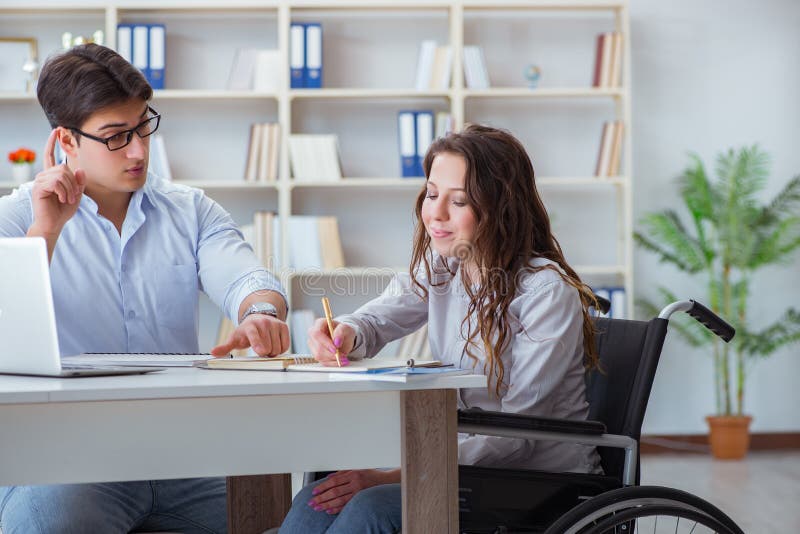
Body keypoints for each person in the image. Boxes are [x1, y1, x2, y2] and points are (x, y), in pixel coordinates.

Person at [0, 43, 289, 534]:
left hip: (184, 457)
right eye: (116, 137)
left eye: (142, 127)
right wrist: (45, 234)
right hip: (66, 462)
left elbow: (247, 278)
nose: (138, 150)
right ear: (66, 141)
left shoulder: (190, 210)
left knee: (276, 509)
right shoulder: (18, 219)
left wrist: (259, 312)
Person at [278, 124, 603, 534]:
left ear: (501, 206)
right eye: (432, 195)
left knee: (371, 507)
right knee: (316, 501)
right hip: (461, 464)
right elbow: (379, 318)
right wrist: (346, 331)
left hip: (535, 480)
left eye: (460, 200)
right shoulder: (444, 264)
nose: (436, 213)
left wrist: (392, 475)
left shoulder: (544, 292)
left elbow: (517, 436)